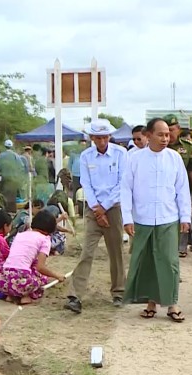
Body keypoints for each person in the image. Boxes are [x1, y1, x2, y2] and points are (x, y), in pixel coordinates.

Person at [121, 117, 192, 322]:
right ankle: (151, 302)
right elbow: (125, 189)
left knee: (169, 262)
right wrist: (127, 218)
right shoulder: (134, 159)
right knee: (148, 262)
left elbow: (182, 189)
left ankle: (172, 303)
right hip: (142, 219)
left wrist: (185, 216)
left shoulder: (174, 158)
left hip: (168, 218)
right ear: (148, 135)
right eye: (160, 134)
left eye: (167, 135)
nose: (165, 139)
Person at [65, 119, 128, 313]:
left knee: (116, 252)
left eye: (105, 137)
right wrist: (97, 209)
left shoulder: (121, 154)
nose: (101, 141)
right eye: (98, 138)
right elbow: (86, 183)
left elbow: (122, 183)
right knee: (87, 252)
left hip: (114, 207)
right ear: (92, 138)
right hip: (93, 208)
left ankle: (119, 292)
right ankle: (75, 295)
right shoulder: (86, 156)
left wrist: (105, 207)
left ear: (109, 136)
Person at [0, 210, 67, 304]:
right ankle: (25, 296)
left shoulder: (21, 235)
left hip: (3, 280)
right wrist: (57, 276)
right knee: (42, 279)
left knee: (28, 269)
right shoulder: (45, 239)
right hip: (21, 282)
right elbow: (40, 267)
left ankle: (11, 295)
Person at [164, 114, 192, 258]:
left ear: (178, 129)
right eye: (166, 130)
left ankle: (182, 247)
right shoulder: (158, 147)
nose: (169, 134)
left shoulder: (189, 147)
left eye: (172, 130)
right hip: (165, 191)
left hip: (184, 190)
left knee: (185, 217)